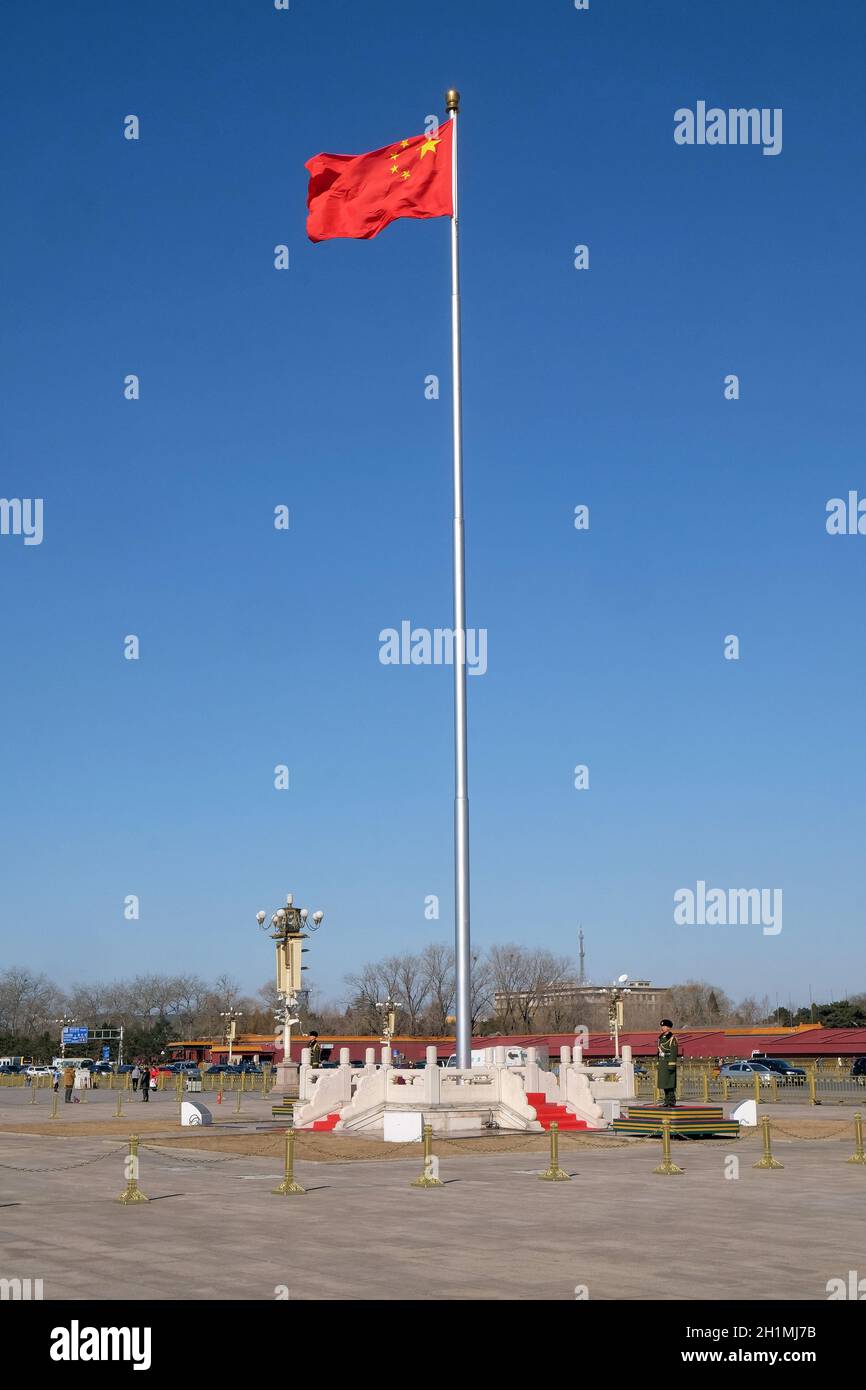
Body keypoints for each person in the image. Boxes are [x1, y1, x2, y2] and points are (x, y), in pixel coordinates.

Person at [657, 1019, 679, 1108]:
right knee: (664, 1083)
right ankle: (666, 1100)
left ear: (669, 1028)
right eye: (662, 1026)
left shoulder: (672, 1038)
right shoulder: (661, 1038)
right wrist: (658, 1063)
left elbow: (673, 1052)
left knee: (669, 1083)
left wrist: (672, 1064)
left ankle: (671, 1101)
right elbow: (658, 1052)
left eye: (665, 1026)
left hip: (668, 1062)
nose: (663, 1028)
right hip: (662, 1063)